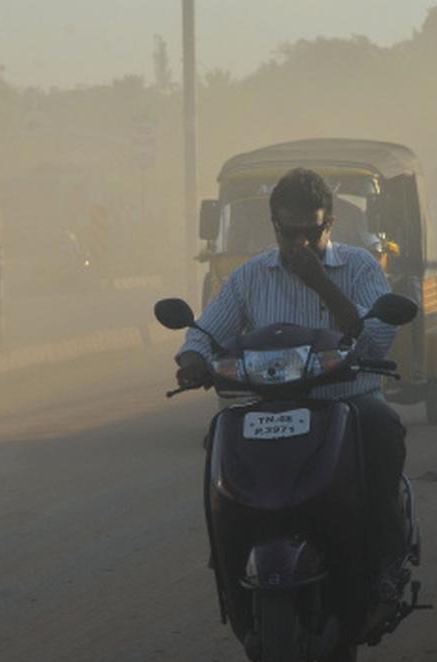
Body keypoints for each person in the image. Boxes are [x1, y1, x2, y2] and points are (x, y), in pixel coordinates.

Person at [174, 168, 409, 600]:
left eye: (312, 231)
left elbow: (376, 341)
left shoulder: (358, 266)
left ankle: (385, 562)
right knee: (219, 441)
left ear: (329, 225)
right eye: (290, 232)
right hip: (267, 408)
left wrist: (319, 281)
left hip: (348, 403)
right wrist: (192, 359)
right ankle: (226, 555)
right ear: (274, 226)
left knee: (382, 432)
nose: (301, 243)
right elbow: (207, 333)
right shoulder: (249, 276)